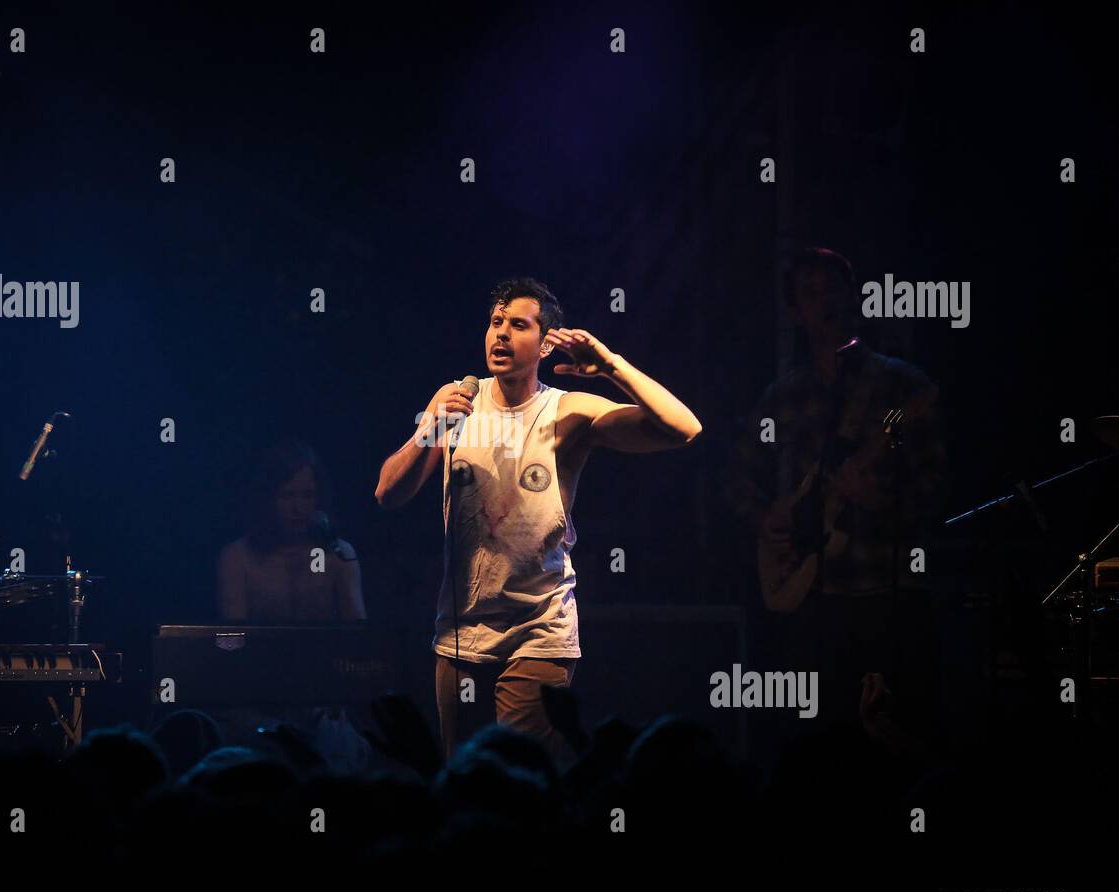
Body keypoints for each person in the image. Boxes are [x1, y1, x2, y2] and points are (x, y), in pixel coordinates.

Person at [375, 277, 703, 763]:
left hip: (537, 629)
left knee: (518, 778)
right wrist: (429, 429)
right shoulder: (458, 401)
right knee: (463, 782)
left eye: (519, 325)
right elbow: (388, 493)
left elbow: (683, 428)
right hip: (461, 632)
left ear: (547, 342)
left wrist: (611, 366)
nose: (501, 334)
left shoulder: (565, 411)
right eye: (495, 322)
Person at [727, 247, 946, 742]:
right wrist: (766, 519)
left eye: (833, 289)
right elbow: (739, 477)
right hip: (810, 597)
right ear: (795, 312)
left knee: (893, 736)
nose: (823, 301)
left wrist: (879, 498)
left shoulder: (901, 388)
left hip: (886, 593)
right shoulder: (781, 396)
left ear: (854, 298)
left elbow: (935, 491)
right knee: (817, 740)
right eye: (810, 293)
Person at [218, 440, 365, 623]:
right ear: (268, 499)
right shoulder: (238, 558)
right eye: (287, 496)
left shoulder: (339, 555)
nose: (299, 508)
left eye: (308, 496)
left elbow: (357, 634)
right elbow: (234, 637)